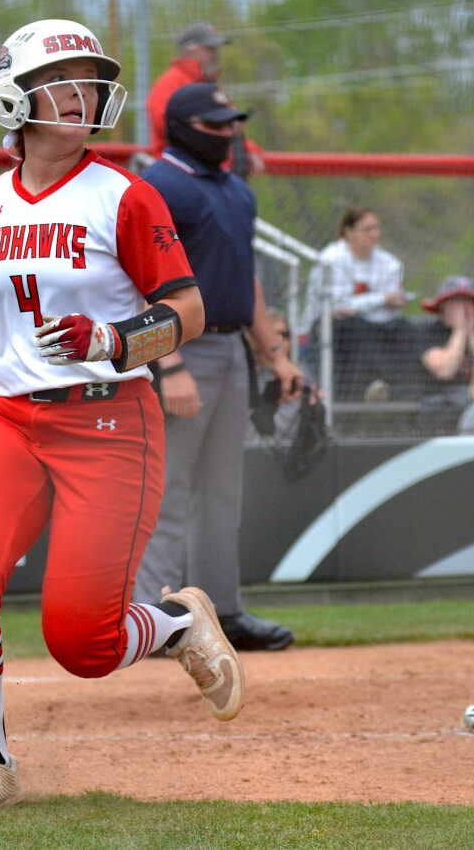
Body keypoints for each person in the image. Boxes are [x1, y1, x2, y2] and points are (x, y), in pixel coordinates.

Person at [0, 18, 242, 819]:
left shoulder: (125, 195)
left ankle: (174, 621)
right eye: (62, 80)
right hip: (11, 420)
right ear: (15, 97)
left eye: (90, 79)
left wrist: (115, 338)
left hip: (109, 421)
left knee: (83, 644)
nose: (84, 93)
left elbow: (189, 308)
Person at [132, 81, 303, 653]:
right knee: (169, 489)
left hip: (231, 348)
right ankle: (155, 620)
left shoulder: (235, 189)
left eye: (231, 122)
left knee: (223, 492)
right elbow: (142, 283)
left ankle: (222, 613)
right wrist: (169, 364)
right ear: (182, 126)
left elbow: (244, 276)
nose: (227, 132)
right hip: (181, 349)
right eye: (214, 124)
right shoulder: (159, 185)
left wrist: (273, 353)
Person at [308, 206, 411, 400]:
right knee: (355, 326)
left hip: (376, 325)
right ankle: (360, 393)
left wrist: (379, 303)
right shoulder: (331, 259)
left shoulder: (388, 262)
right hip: (332, 327)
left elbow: (389, 306)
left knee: (405, 328)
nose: (374, 234)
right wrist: (381, 299)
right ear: (348, 232)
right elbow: (337, 307)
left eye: (377, 228)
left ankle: (398, 394)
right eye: (367, 229)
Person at [145, 21, 264, 174]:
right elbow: (170, 128)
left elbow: (229, 128)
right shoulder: (170, 83)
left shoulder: (210, 85)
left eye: (216, 49)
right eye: (210, 48)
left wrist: (248, 148)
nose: (215, 54)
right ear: (190, 50)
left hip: (214, 174)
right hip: (182, 173)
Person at [416, 276, 474, 423]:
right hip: (439, 406)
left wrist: (471, 333)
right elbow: (445, 371)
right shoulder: (427, 333)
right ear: (442, 306)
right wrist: (460, 330)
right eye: (456, 302)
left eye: (467, 302)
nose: (462, 308)